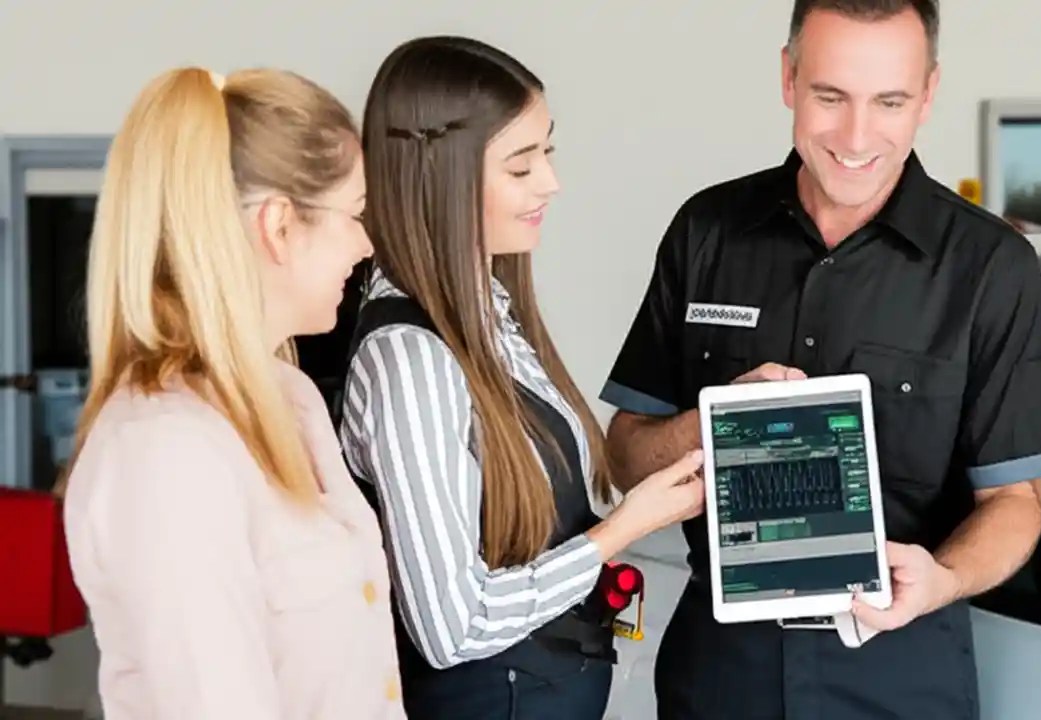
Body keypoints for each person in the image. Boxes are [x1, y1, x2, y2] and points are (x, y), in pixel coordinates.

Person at [601, 1, 1041, 718]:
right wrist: (709, 427)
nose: (856, 137)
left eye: (889, 101)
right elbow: (623, 454)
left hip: (898, 673)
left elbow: (1016, 502)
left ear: (929, 93)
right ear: (789, 78)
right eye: (830, 97)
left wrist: (944, 578)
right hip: (722, 674)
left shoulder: (989, 266)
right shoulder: (706, 232)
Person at [338, 36, 706, 720]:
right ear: (440, 176)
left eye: (548, 152)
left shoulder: (492, 318)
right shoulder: (411, 360)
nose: (550, 182)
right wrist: (620, 531)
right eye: (520, 166)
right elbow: (452, 628)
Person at [61, 67, 406, 720]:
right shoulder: (166, 451)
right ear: (279, 226)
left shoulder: (292, 396)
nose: (366, 246)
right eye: (356, 215)